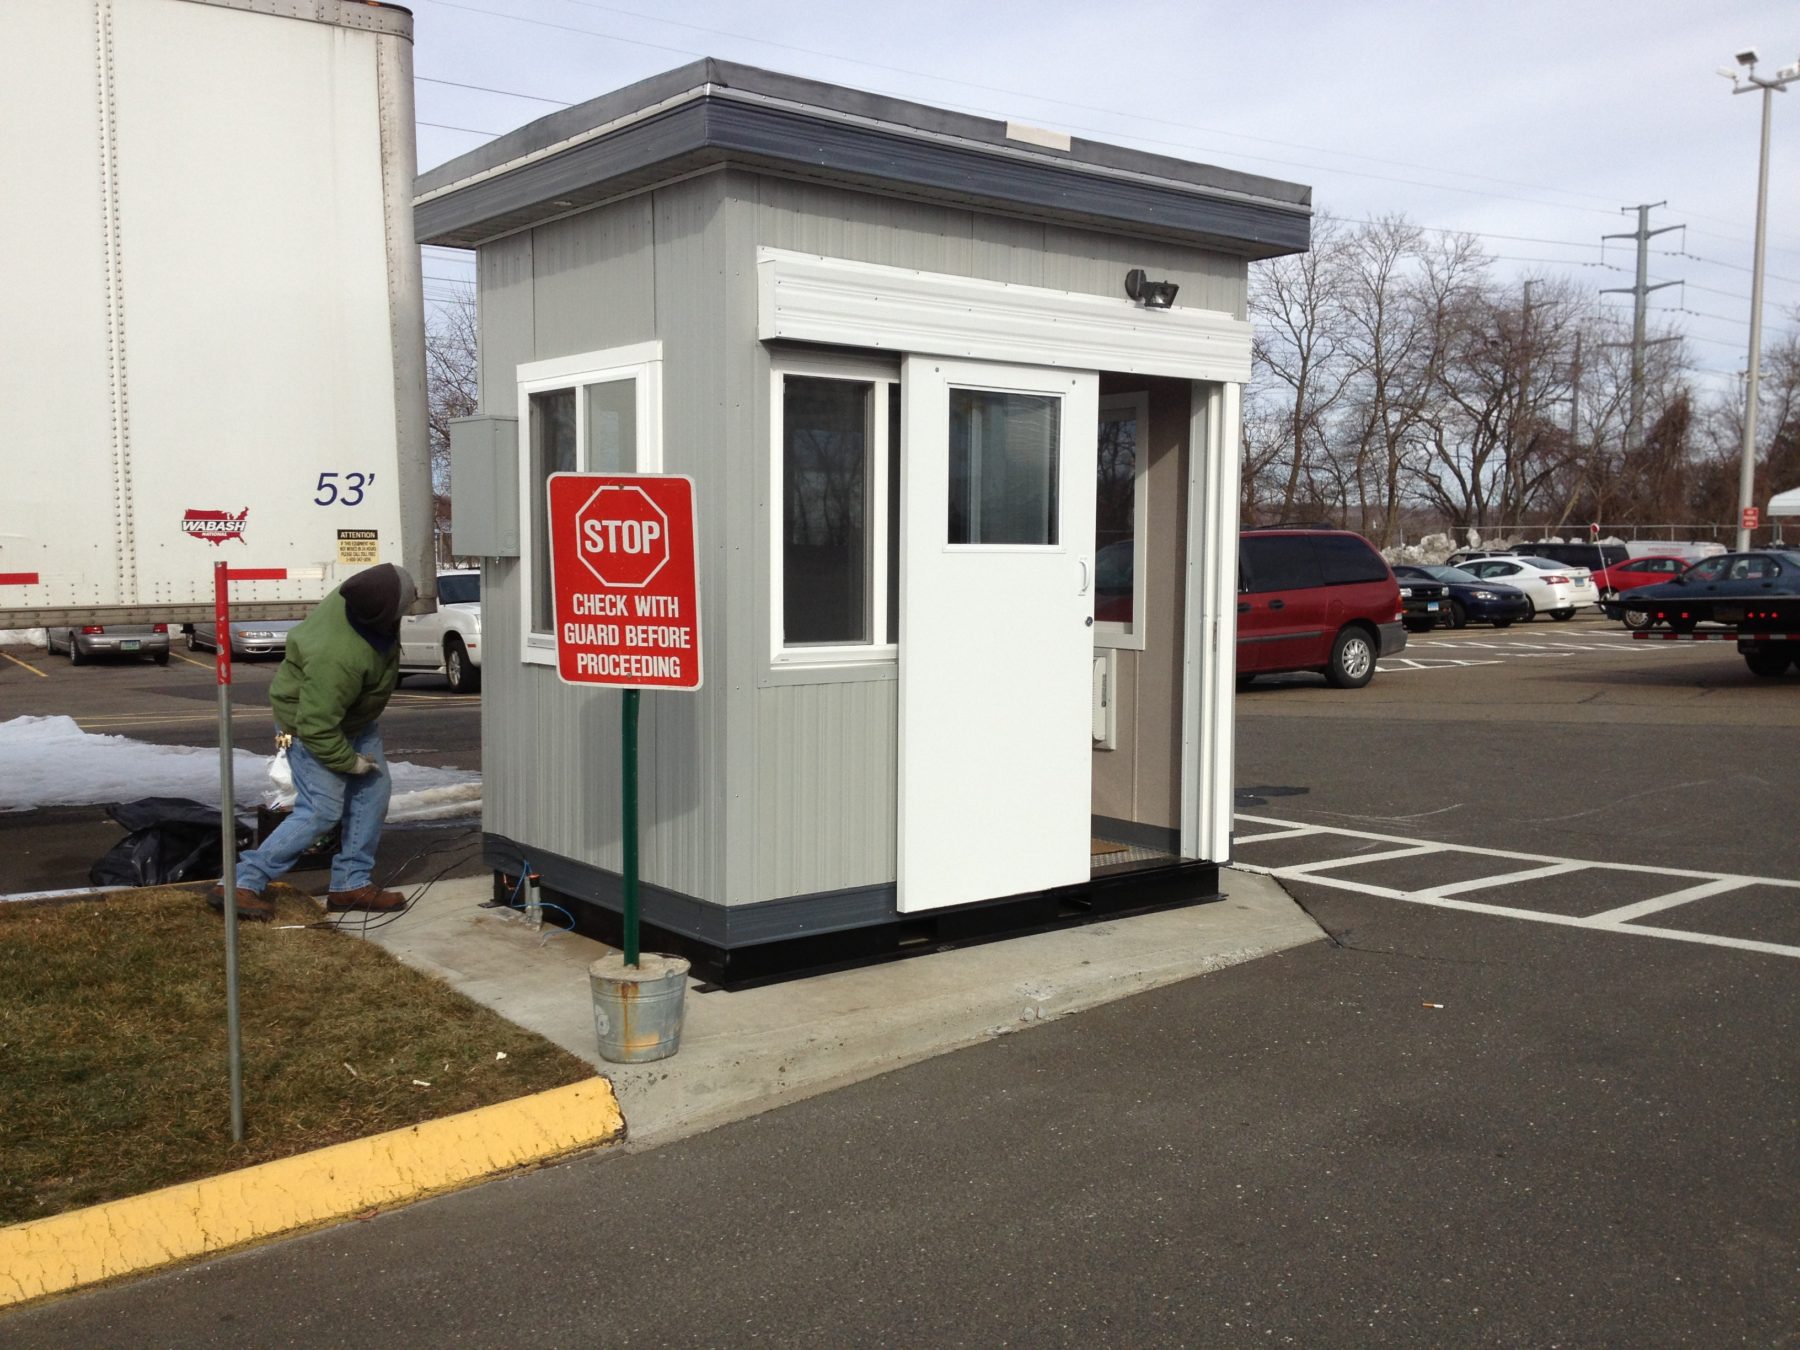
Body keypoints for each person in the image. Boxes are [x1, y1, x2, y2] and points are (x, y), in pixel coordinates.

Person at [211, 563, 417, 920]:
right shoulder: (339, 655)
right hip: (311, 728)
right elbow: (316, 725)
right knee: (320, 810)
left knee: (372, 795)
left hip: (354, 719)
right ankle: (241, 882)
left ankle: (350, 884)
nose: (409, 612)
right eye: (405, 606)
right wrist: (348, 761)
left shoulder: (355, 599)